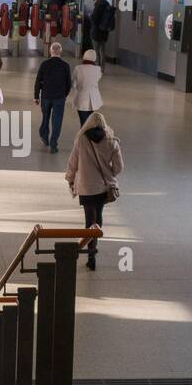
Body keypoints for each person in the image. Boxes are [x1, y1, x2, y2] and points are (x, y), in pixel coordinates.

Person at [65, 111, 124, 272]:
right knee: (98, 217)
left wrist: (69, 178)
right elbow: (119, 168)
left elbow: (73, 163)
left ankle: (90, 254)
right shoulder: (112, 141)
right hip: (102, 188)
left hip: (86, 186)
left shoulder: (81, 140)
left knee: (88, 220)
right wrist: (109, 171)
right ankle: (93, 251)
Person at [34, 41, 72, 153]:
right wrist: (64, 95)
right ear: (60, 52)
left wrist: (36, 96)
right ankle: (53, 144)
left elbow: (38, 81)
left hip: (46, 96)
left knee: (45, 117)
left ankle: (44, 136)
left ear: (51, 51)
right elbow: (68, 83)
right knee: (57, 120)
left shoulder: (44, 64)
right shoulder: (65, 66)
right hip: (59, 97)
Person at [69, 48, 104, 126]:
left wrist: (76, 86)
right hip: (93, 100)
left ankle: (84, 136)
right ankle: (89, 136)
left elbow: (73, 82)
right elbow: (97, 79)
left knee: (83, 121)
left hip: (81, 98)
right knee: (90, 121)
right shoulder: (98, 69)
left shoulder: (78, 68)